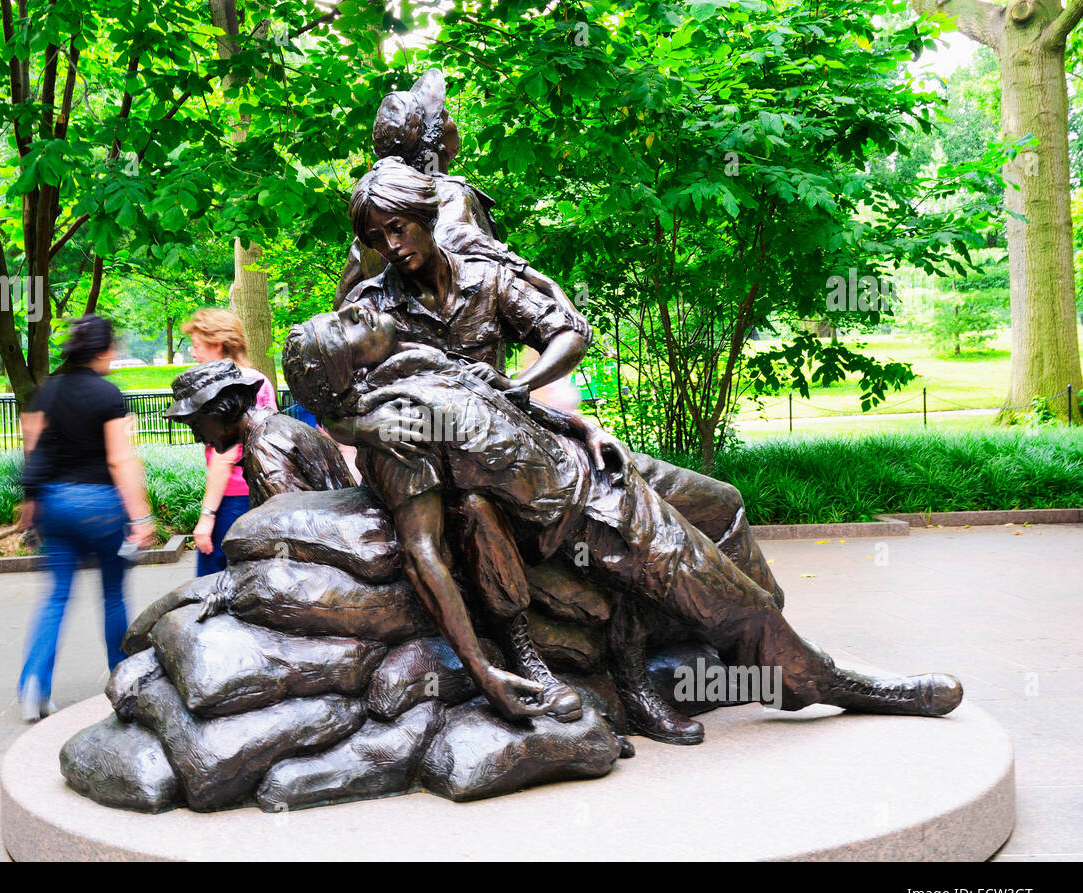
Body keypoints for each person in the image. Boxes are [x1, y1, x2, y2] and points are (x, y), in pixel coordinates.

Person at [282, 304, 965, 744]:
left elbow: (515, 402)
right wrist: (485, 671)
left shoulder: (416, 360)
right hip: (595, 516)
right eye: (340, 327)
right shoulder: (392, 434)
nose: (357, 309)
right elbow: (427, 553)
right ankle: (828, 682)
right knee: (739, 602)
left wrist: (584, 424)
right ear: (344, 371)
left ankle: (744, 654)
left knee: (722, 501)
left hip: (607, 465)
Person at [340, 107, 783, 606]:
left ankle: (770, 645)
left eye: (397, 229)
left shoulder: (483, 277)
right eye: (376, 239)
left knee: (721, 502)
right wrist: (374, 429)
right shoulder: (366, 311)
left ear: (427, 216)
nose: (391, 247)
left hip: (527, 438)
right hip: (491, 470)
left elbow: (568, 331)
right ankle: (747, 643)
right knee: (637, 540)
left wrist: (541, 398)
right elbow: (339, 398)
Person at [17, 314, 154, 722]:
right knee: (113, 594)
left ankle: (33, 687)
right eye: (112, 348)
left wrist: (31, 500)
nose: (114, 356)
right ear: (101, 351)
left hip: (54, 503)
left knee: (56, 596)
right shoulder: (108, 395)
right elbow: (119, 458)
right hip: (100, 507)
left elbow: (31, 450)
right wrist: (141, 515)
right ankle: (123, 678)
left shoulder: (47, 391)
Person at [163, 358, 355, 507]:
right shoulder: (276, 426)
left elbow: (291, 531)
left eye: (196, 425)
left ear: (220, 410)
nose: (198, 438)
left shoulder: (265, 449)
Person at [181, 308, 276, 575]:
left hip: (231, 500)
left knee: (209, 588)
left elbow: (224, 455)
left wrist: (207, 516)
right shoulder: (260, 381)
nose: (193, 352)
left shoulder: (222, 388)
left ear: (218, 345)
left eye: (197, 345)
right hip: (260, 496)